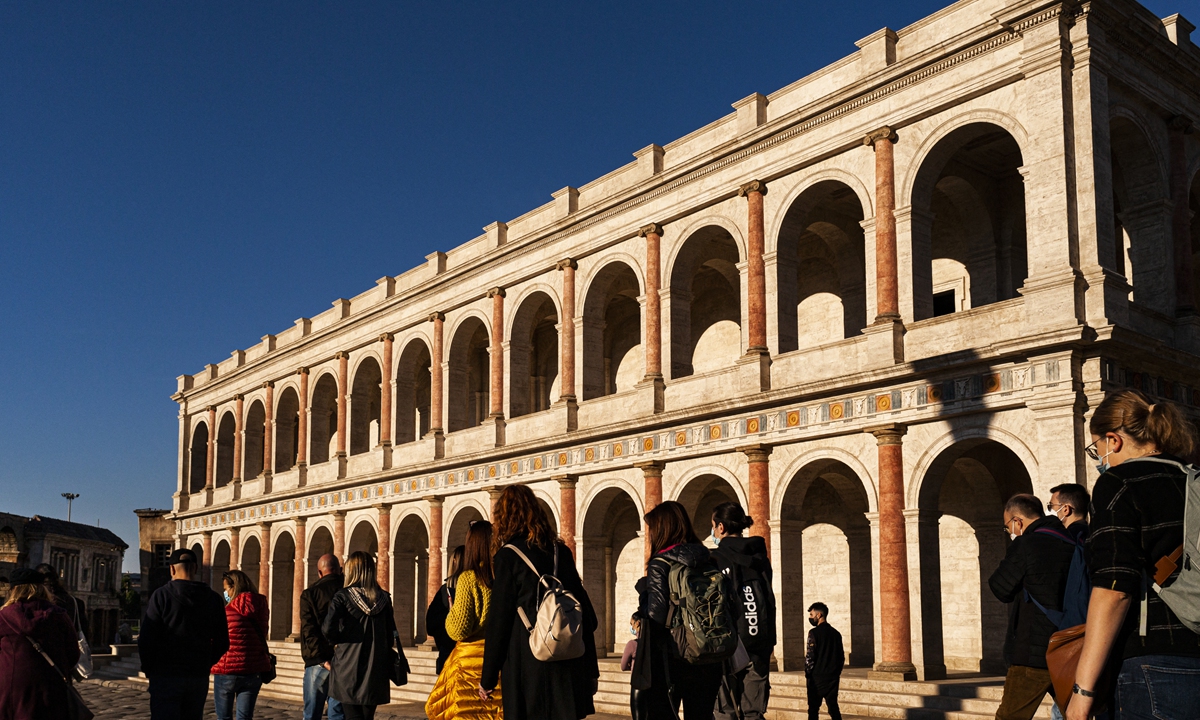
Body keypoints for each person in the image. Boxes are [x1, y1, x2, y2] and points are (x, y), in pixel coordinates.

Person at [1067, 390, 1200, 720]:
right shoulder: (1193, 477)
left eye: (1095, 447)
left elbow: (1115, 589)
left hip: (1154, 663)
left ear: (1112, 440)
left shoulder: (1120, 482)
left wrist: (1082, 694)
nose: (1097, 456)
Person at [480, 484, 600, 719]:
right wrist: (591, 669)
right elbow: (586, 612)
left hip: (526, 660)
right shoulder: (560, 552)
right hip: (566, 658)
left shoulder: (508, 556)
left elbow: (499, 622)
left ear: (503, 517)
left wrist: (488, 677)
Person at [987, 493, 1076, 720]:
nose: (1010, 532)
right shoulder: (1071, 542)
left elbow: (1000, 587)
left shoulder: (1026, 544)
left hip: (1032, 652)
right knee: (1076, 715)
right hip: (1070, 648)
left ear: (1018, 521)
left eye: (1007, 527)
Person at [637, 500, 723, 720]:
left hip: (672, 656)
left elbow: (656, 613)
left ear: (662, 529)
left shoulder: (661, 562)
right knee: (702, 715)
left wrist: (644, 596)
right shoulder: (708, 558)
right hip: (709, 653)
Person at [138, 548, 230, 720]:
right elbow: (223, 642)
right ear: (196, 568)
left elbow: (147, 639)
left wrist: (150, 668)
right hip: (197, 675)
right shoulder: (214, 599)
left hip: (166, 674)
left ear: (171, 569)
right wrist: (205, 662)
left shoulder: (162, 596)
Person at [426, 521, 503, 720]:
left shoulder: (469, 578)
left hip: (469, 664)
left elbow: (458, 629)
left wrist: (451, 612)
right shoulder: (504, 576)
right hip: (500, 661)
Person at [709, 501, 776, 720]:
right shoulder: (760, 558)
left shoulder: (716, 558)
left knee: (724, 712)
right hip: (759, 644)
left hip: (728, 646)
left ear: (720, 527)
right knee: (754, 713)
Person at [322, 551, 404, 720]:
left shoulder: (343, 597)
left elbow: (327, 629)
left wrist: (339, 640)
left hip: (347, 666)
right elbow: (390, 634)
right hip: (376, 667)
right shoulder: (384, 599)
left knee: (351, 716)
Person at [0, 568, 82, 719]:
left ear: (13, 591)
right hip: (52, 685)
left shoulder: (4, 616)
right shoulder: (59, 615)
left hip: (12, 687)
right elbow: (73, 653)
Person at [211, 570, 271, 720]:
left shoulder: (227, 612)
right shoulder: (261, 609)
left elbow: (217, 639)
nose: (225, 593)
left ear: (234, 587)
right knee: (245, 717)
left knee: (223, 717)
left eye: (226, 589)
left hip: (227, 669)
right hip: (253, 669)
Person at [300, 553, 345, 720]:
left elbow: (308, 630)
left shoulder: (310, 594)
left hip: (317, 662)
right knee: (338, 714)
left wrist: (321, 659)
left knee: (312, 714)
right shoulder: (348, 591)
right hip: (343, 660)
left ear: (320, 572)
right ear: (340, 570)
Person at [35, 561, 88, 669]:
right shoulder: (75, 602)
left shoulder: (38, 604)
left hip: (42, 658)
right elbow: (84, 630)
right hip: (66, 657)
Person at [426, 545, 465, 675]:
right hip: (470, 654)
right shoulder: (481, 586)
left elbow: (431, 625)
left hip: (448, 653)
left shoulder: (445, 590)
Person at [805, 602, 844, 720]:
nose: (810, 618)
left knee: (813, 709)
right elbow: (841, 657)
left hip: (816, 678)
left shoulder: (814, 633)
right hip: (832, 677)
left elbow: (810, 656)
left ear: (819, 615)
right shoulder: (836, 634)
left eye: (812, 615)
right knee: (833, 707)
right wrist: (836, 672)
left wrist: (808, 673)